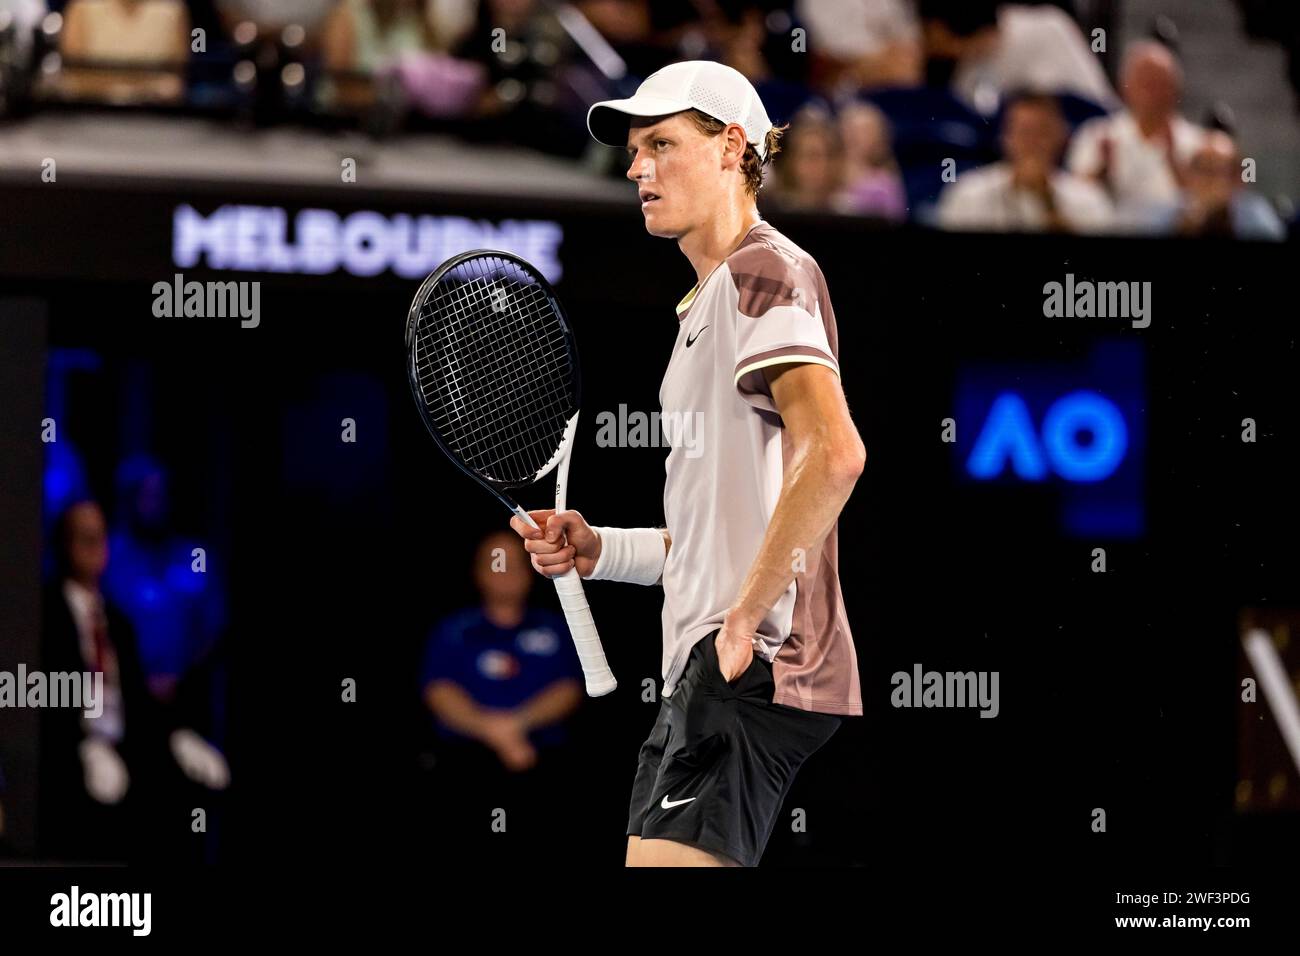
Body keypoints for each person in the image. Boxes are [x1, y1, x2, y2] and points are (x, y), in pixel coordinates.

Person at [517, 60, 866, 868]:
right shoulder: (707, 304)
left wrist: (743, 621)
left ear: (730, 148)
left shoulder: (764, 269)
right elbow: (712, 537)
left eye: (662, 144)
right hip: (704, 674)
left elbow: (837, 451)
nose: (638, 167)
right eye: (634, 151)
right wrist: (604, 549)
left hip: (749, 665)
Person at [39, 500, 229, 862]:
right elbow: (38, 692)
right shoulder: (45, 613)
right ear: (64, 544)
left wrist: (178, 735)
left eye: (99, 536)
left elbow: (139, 701)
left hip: (126, 744)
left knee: (179, 792)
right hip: (70, 751)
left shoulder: (119, 622)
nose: (94, 545)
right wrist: (84, 743)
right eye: (83, 537)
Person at [1066, 40, 1207, 222]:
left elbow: (1209, 208)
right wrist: (1101, 175)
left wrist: (1178, 170)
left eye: (1160, 83)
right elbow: (1072, 200)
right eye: (1145, 83)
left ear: (1176, 90)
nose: (1152, 93)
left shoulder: (1199, 143)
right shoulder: (1097, 135)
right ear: (1124, 87)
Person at [936, 90, 1113, 233]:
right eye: (1024, 132)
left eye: (1041, 133)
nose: (1032, 142)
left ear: (1060, 138)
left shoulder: (1088, 199)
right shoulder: (968, 193)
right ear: (1005, 138)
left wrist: (1048, 203)